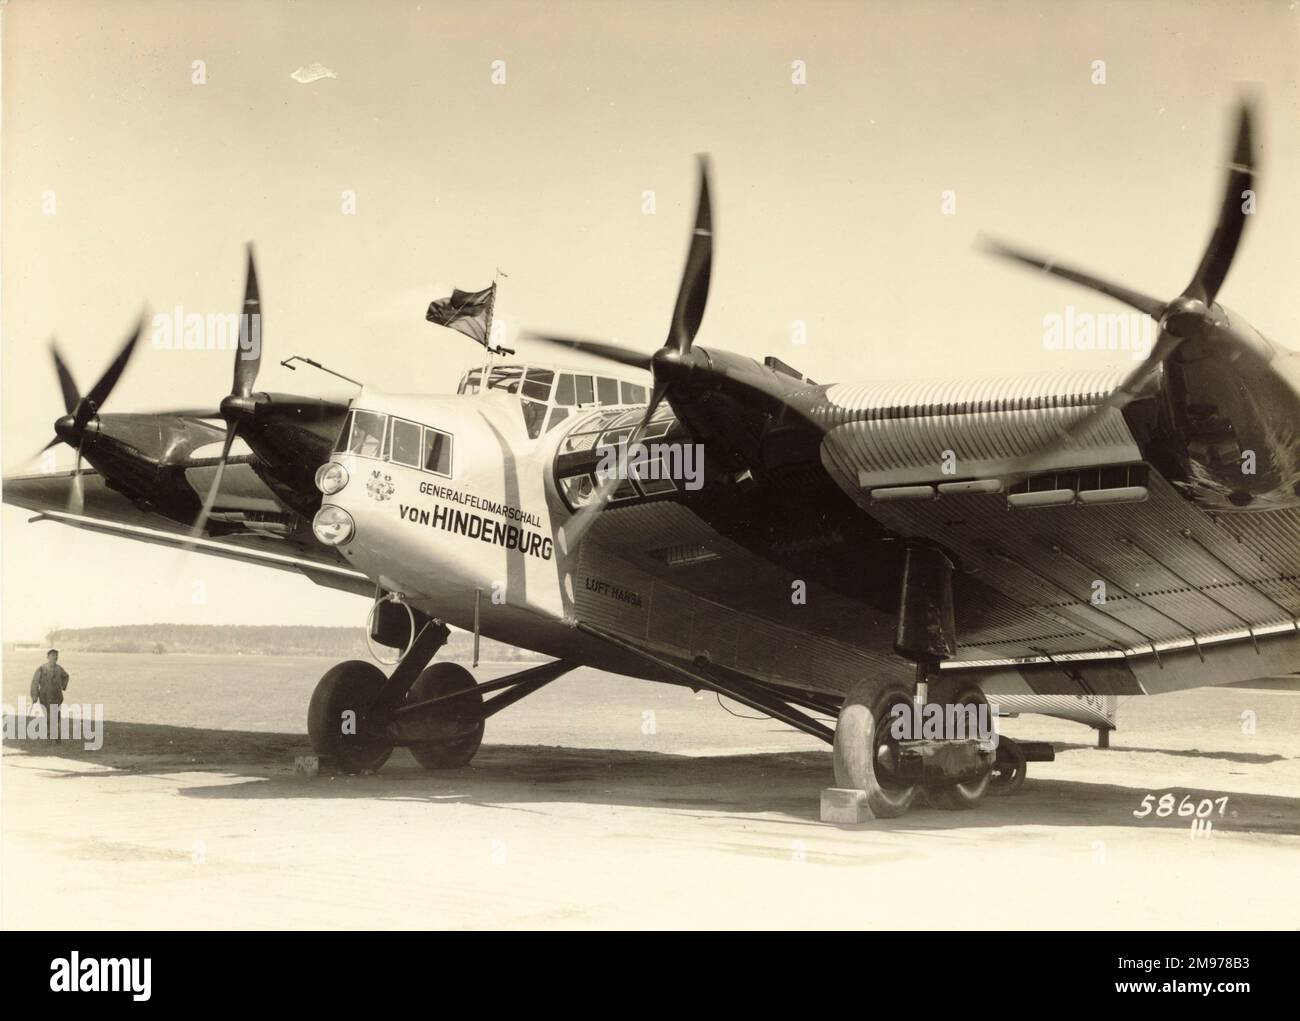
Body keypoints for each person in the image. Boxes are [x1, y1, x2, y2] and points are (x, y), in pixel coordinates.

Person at [30, 649, 70, 741]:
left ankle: (54, 734)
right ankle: (51, 734)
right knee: (48, 715)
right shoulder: (41, 668)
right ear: (47, 657)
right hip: (45, 695)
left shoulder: (59, 668)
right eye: (52, 655)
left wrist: (63, 686)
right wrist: (34, 695)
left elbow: (66, 676)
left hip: (57, 695)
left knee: (56, 715)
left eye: (56, 656)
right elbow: (35, 682)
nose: (55, 657)